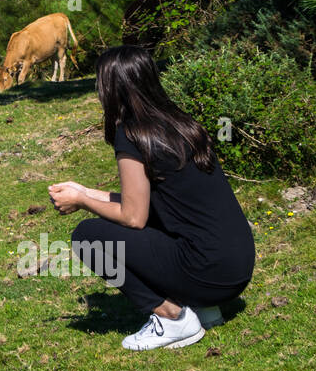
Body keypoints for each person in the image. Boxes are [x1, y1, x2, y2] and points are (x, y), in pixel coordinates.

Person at [48, 45, 255, 350]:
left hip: (206, 269)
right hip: (236, 269)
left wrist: (81, 202)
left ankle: (173, 318)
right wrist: (84, 191)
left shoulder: (132, 134)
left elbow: (134, 216)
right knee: (163, 220)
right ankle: (205, 307)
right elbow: (153, 201)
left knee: (87, 237)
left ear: (113, 87)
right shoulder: (181, 124)